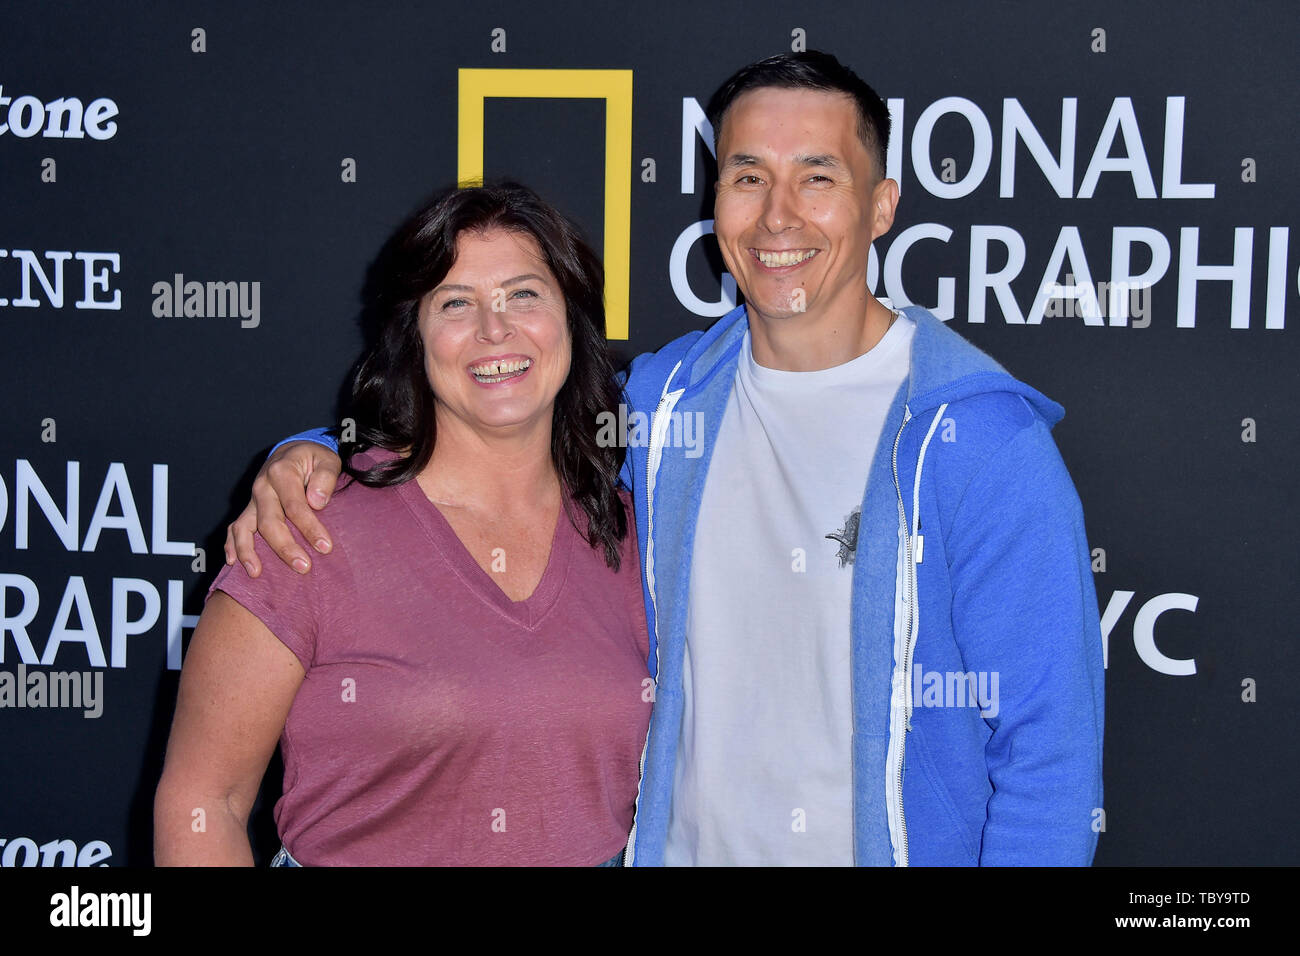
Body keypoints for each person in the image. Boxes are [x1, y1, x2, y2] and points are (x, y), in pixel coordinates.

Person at [231, 52, 1105, 866]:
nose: (778, 215)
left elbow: (1050, 770)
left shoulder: (978, 443)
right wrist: (313, 456)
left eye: (819, 177)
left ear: (881, 206)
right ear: (714, 199)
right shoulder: (664, 404)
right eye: (748, 176)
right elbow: (492, 414)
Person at [155, 182, 651, 866]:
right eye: (455, 303)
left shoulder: (636, 536)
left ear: (572, 317)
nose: (494, 329)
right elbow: (204, 802)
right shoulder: (310, 525)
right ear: (413, 339)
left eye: (524, 294)